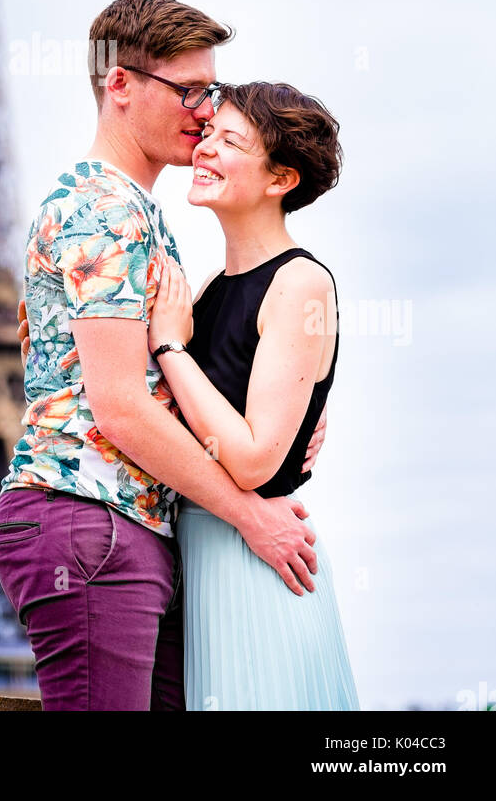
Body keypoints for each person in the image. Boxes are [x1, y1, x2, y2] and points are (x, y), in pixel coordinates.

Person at [0, 0, 326, 711]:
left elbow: (143, 383)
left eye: (210, 92)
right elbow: (118, 405)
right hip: (89, 518)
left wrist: (287, 423)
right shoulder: (104, 211)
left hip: (118, 523)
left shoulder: (135, 213)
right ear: (119, 85)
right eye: (190, 91)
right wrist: (250, 514)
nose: (205, 111)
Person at [147, 81, 360, 710]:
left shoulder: (301, 283)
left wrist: (169, 349)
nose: (205, 148)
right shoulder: (210, 283)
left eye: (230, 140)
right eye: (209, 132)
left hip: (254, 570)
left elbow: (251, 460)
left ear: (280, 180)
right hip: (208, 558)